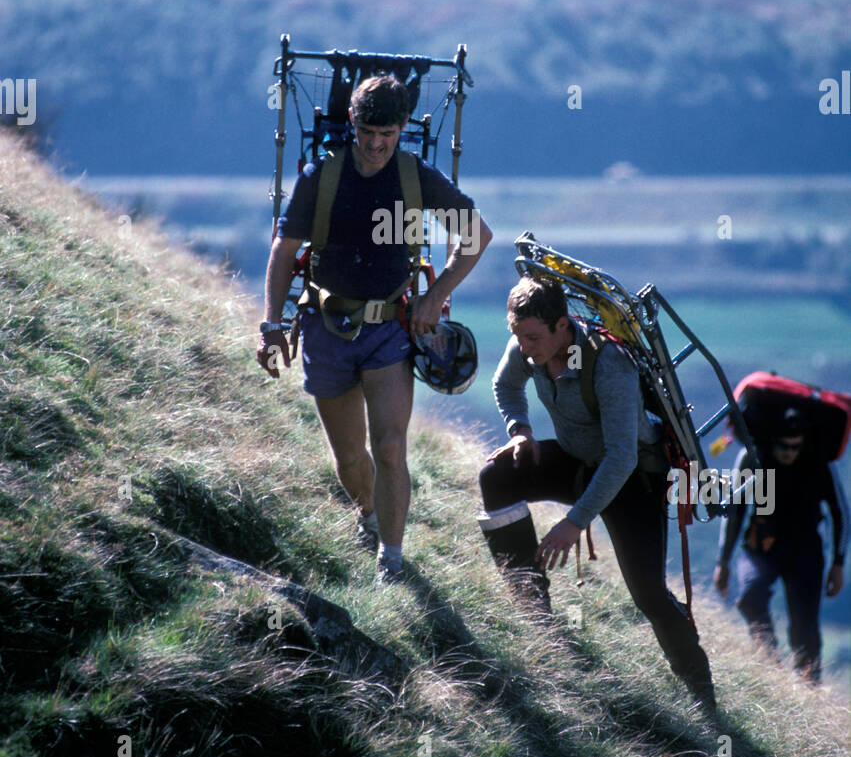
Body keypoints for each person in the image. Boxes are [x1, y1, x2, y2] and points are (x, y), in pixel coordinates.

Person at [258, 74, 492, 582]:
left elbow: (477, 235)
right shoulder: (321, 176)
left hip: (389, 330)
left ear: (403, 127)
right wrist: (271, 325)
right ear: (352, 124)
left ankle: (392, 558)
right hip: (326, 327)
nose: (377, 143)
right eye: (368, 131)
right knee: (349, 457)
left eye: (387, 132)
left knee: (390, 446)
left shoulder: (415, 177)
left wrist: (435, 295)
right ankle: (366, 513)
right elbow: (284, 251)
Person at [478, 274, 716, 712]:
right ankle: (531, 607)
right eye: (517, 334)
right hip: (577, 464)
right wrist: (520, 430)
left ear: (562, 326)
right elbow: (505, 385)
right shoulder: (529, 346)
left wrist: (574, 522)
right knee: (497, 476)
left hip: (633, 483)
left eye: (532, 336)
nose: (523, 345)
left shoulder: (609, 366)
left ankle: (700, 693)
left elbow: (622, 457)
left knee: (647, 595)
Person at [713, 408, 848, 683]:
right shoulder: (753, 459)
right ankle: (769, 665)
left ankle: (809, 688)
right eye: (783, 446)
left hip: (805, 551)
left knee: (804, 628)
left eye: (795, 446)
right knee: (750, 598)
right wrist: (723, 560)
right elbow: (736, 511)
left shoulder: (819, 464)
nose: (789, 452)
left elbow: (841, 513)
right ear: (773, 441)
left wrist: (838, 563)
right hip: (761, 546)